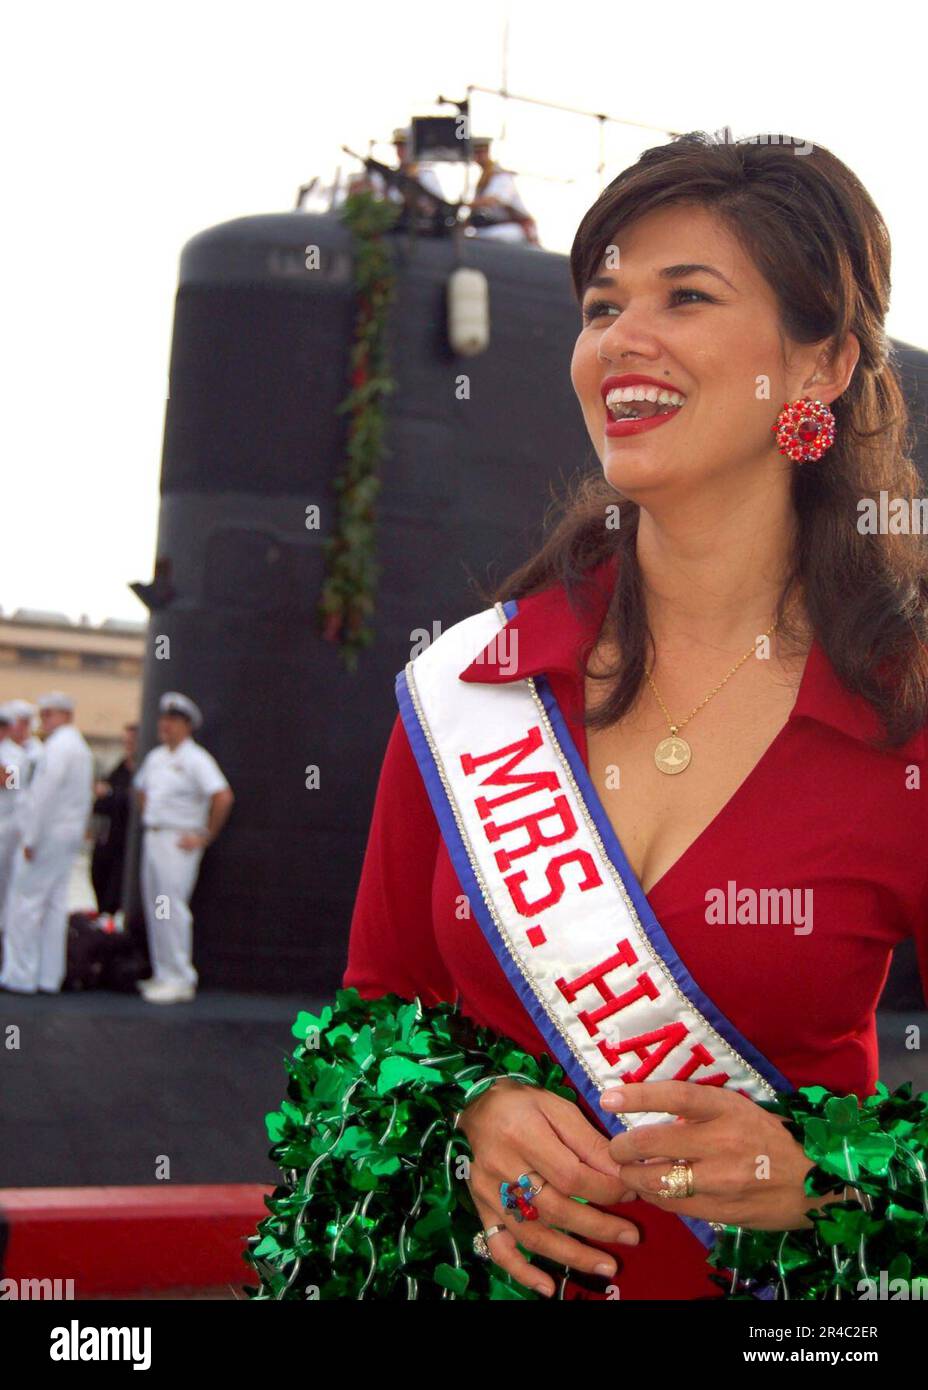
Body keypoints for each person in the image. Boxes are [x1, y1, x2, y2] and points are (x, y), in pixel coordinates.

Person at [248, 132, 928, 1302]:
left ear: (816, 366)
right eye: (602, 302)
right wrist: (468, 1106)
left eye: (687, 296)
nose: (622, 338)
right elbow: (369, 1021)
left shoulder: (902, 711)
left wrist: (837, 1175)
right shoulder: (476, 686)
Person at [133, 692, 233, 1004]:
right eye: (164, 719)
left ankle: (180, 977)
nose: (165, 725)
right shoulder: (156, 757)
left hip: (179, 841)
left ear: (187, 726)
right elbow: (140, 789)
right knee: (155, 907)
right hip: (155, 836)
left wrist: (204, 834)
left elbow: (222, 795)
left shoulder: (196, 758)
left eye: (173, 721)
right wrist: (152, 817)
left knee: (171, 906)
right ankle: (164, 973)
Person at [0, 692, 93, 994]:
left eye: (45, 715)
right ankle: (48, 976)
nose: (40, 722)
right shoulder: (76, 746)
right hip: (62, 833)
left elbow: (43, 794)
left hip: (42, 832)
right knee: (53, 906)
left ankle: (20, 975)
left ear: (64, 715)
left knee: (23, 902)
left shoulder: (53, 748)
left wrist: (31, 837)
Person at [91, 722, 138, 914]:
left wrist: (111, 795)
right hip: (108, 838)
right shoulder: (119, 769)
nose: (127, 746)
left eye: (131, 742)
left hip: (127, 842)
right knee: (100, 878)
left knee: (117, 890)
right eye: (125, 742)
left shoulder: (144, 770)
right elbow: (100, 805)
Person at [348, 126, 443, 210]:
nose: (400, 151)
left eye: (404, 147)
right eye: (398, 147)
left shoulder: (425, 175)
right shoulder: (391, 176)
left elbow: (436, 207)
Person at [466, 135, 538, 245]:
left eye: (482, 152)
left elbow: (493, 200)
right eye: (476, 153)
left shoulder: (501, 177)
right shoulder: (483, 180)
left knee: (482, 239)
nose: (479, 157)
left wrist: (464, 204)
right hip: (495, 226)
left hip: (514, 228)